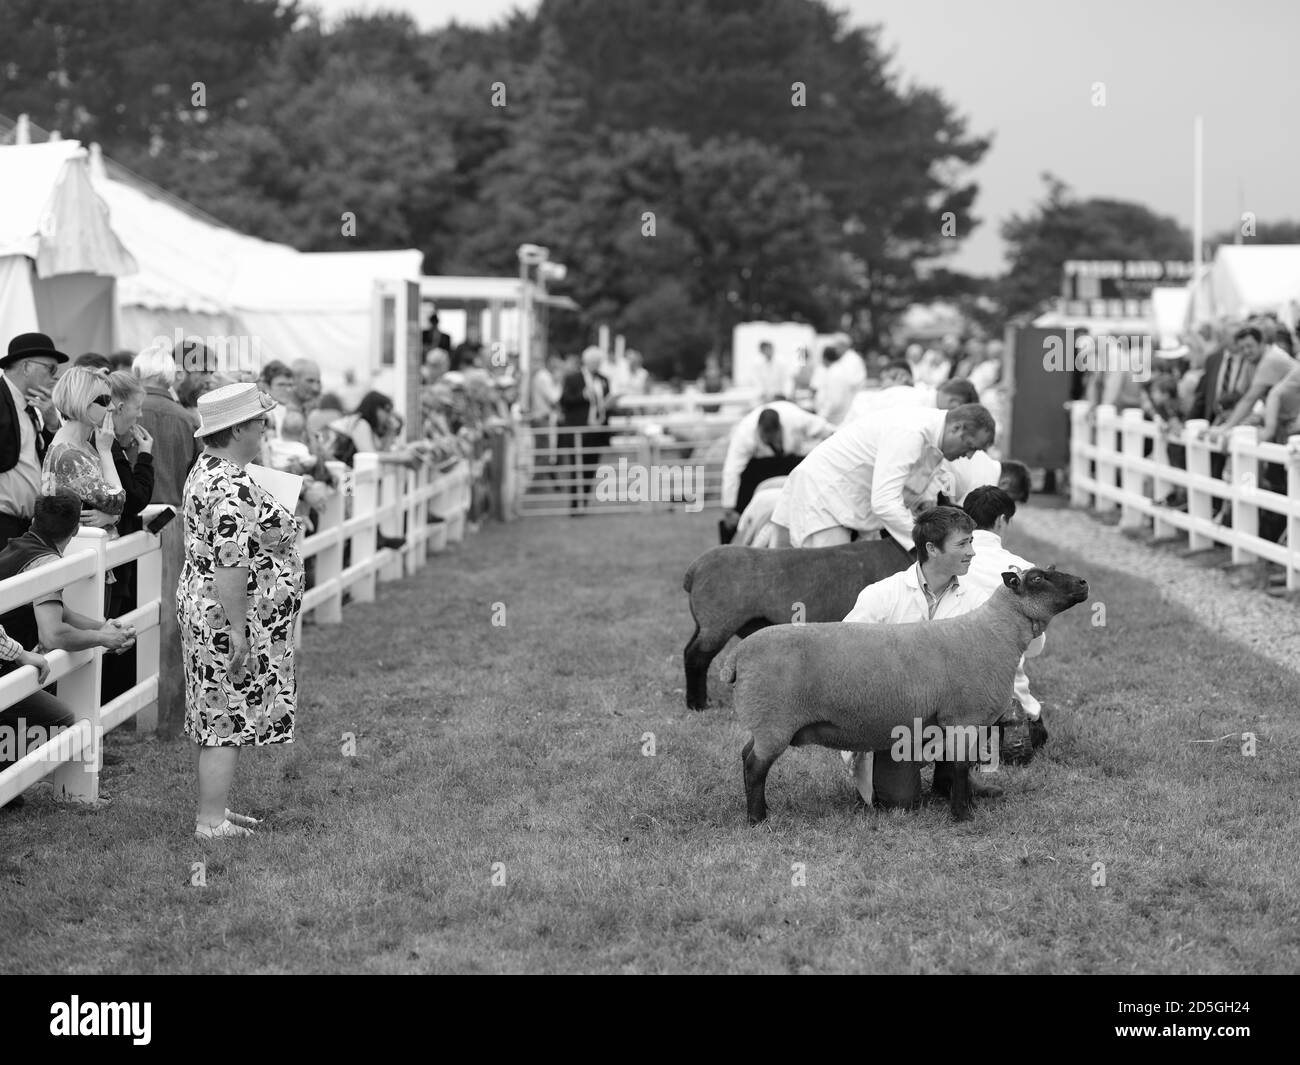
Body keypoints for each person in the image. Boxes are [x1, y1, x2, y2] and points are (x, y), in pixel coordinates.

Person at [179, 384, 304, 840]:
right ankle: (209, 822)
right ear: (235, 430)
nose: (264, 430)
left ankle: (215, 812)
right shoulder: (228, 485)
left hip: (205, 608)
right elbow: (231, 564)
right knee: (224, 720)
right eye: (258, 423)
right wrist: (238, 631)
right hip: (225, 616)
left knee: (215, 719)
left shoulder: (212, 470)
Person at [839, 506, 1003, 808]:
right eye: (963, 544)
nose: (972, 552)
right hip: (892, 718)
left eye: (972, 542)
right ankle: (898, 767)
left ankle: (954, 775)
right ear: (932, 548)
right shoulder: (882, 595)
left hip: (949, 712)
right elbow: (846, 654)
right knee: (900, 802)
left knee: (987, 695)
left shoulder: (979, 600)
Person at [0, 490, 135, 787]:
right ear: (75, 530)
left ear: (35, 519)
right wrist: (104, 639)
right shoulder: (46, 563)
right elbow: (53, 633)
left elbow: (61, 613)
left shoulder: (21, 546)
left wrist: (102, 627)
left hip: (6, 655)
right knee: (57, 721)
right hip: (3, 661)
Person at [768, 403, 996, 549]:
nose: (968, 455)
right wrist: (928, 542)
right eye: (969, 446)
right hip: (823, 499)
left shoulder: (929, 437)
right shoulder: (911, 432)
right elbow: (885, 502)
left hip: (843, 503)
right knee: (821, 591)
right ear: (956, 428)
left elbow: (914, 492)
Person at [960, 487, 1048, 763]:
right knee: (1036, 730)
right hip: (1010, 700)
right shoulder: (1024, 570)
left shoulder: (947, 565)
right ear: (1001, 520)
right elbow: (1034, 646)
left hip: (952, 706)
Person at [720, 401, 833, 542]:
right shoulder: (744, 433)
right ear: (759, 429)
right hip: (758, 465)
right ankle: (727, 539)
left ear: (779, 429)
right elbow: (732, 470)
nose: (768, 439)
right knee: (741, 502)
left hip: (791, 459)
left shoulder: (795, 417)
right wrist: (729, 507)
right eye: (764, 436)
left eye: (772, 436)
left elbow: (826, 429)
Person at [330, 391, 421, 549]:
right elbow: (370, 454)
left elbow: (383, 451)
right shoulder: (360, 423)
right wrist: (400, 458)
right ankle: (366, 544)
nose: (388, 415)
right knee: (348, 513)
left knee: (355, 511)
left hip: (349, 474)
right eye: (386, 410)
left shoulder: (367, 425)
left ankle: (373, 539)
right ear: (374, 408)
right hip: (344, 473)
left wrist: (390, 432)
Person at [41, 366, 126, 534]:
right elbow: (117, 500)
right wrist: (105, 452)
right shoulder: (68, 455)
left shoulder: (81, 446)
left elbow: (116, 507)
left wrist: (112, 517)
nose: (113, 407)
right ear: (82, 402)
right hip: (79, 549)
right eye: (104, 400)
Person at [0, 333, 64, 550]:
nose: (56, 377)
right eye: (51, 369)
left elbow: (46, 463)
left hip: (27, 525)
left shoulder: (30, 407)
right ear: (26, 367)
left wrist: (52, 426)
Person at [134, 345, 200, 506]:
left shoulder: (124, 412)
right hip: (176, 515)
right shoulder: (189, 420)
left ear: (137, 372)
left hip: (132, 514)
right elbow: (198, 475)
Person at [558, 347, 611, 512]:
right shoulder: (573, 378)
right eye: (594, 362)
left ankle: (584, 502)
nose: (596, 365)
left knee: (591, 466)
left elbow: (606, 401)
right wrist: (582, 396)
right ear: (586, 362)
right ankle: (575, 505)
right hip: (579, 429)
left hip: (597, 429)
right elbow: (564, 400)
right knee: (577, 467)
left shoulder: (603, 379)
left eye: (598, 362)